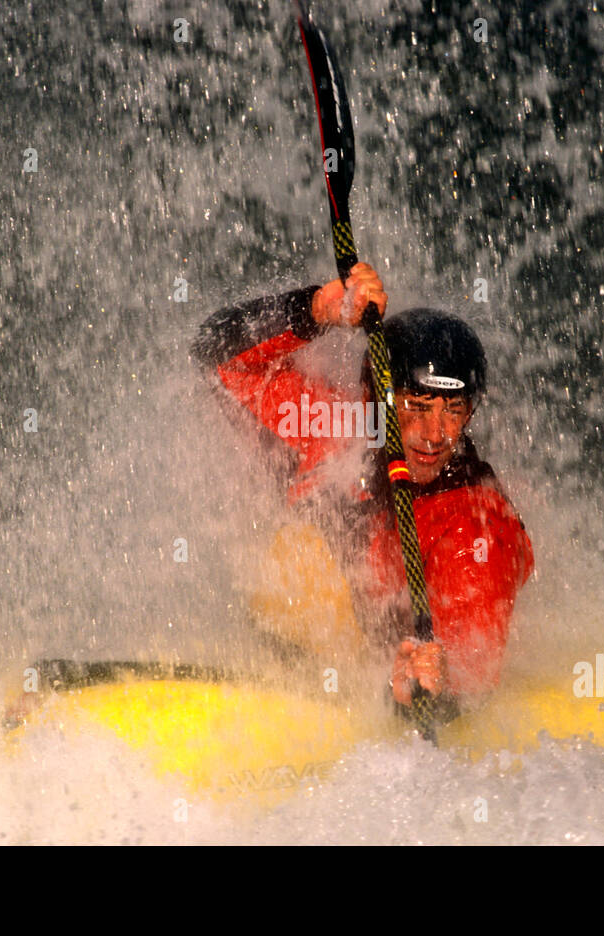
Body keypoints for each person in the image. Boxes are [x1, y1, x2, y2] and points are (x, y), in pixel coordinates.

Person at [192, 263, 533, 718]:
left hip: (369, 697)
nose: (436, 433)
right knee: (302, 554)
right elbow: (214, 353)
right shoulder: (332, 427)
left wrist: (428, 685)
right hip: (279, 659)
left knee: (307, 559)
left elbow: (469, 689)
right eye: (416, 405)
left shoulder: (478, 525)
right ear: (375, 396)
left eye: (454, 409)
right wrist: (313, 309)